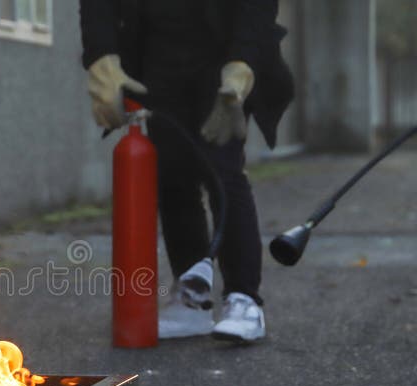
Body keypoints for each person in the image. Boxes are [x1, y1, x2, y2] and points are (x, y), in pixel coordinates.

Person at [79, 0, 294, 342]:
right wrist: (101, 55)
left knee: (222, 169)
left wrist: (242, 64)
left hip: (223, 50)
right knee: (171, 173)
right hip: (158, 50)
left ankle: (244, 299)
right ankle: (192, 300)